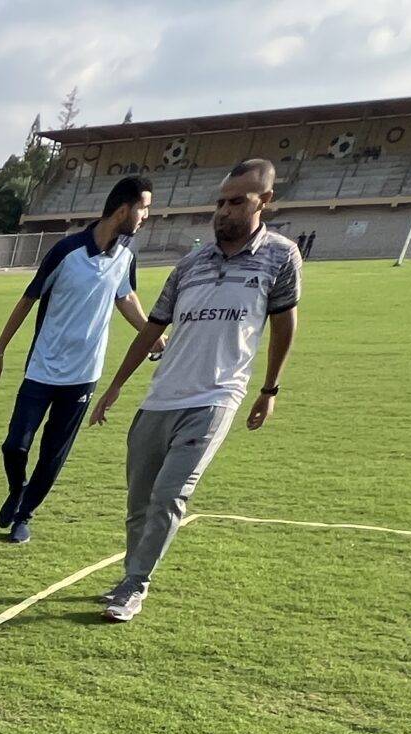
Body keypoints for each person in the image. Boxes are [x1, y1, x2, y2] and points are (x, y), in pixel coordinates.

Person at [89, 159, 302, 622]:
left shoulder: (280, 257)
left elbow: (285, 324)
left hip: (215, 398)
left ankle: (135, 585)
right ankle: (129, 572)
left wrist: (270, 388)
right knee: (139, 501)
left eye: (236, 202)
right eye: (220, 202)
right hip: (162, 396)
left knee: (170, 496)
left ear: (263, 201)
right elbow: (152, 329)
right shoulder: (190, 264)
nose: (223, 211)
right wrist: (116, 387)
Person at [0, 175, 153, 544]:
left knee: (52, 455)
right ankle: (17, 489)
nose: (146, 217)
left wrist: (151, 334)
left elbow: (126, 299)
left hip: (83, 376)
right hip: (42, 368)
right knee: (15, 445)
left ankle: (24, 515)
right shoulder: (67, 252)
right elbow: (28, 300)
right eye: (144, 208)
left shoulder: (126, 256)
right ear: (124, 209)